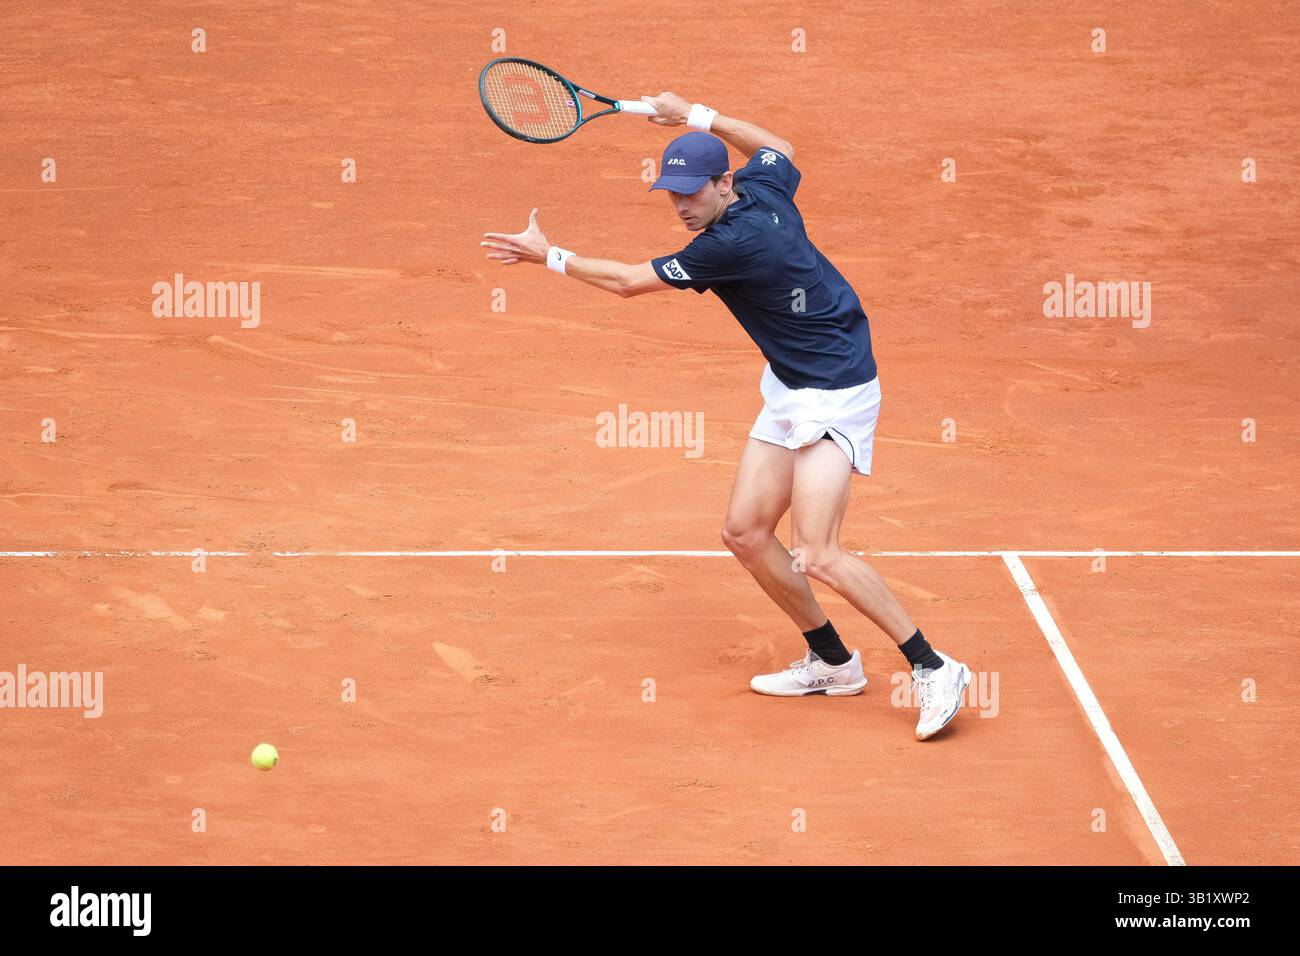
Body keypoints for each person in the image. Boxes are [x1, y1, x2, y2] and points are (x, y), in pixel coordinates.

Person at [481, 91, 971, 739]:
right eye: (671, 194)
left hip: (836, 387)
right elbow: (781, 146)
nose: (681, 206)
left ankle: (934, 666)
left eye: (692, 193)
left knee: (818, 552)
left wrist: (550, 256)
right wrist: (697, 114)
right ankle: (832, 662)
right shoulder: (765, 187)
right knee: (744, 533)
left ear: (723, 184)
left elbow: (628, 283)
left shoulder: (729, 247)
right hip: (792, 382)